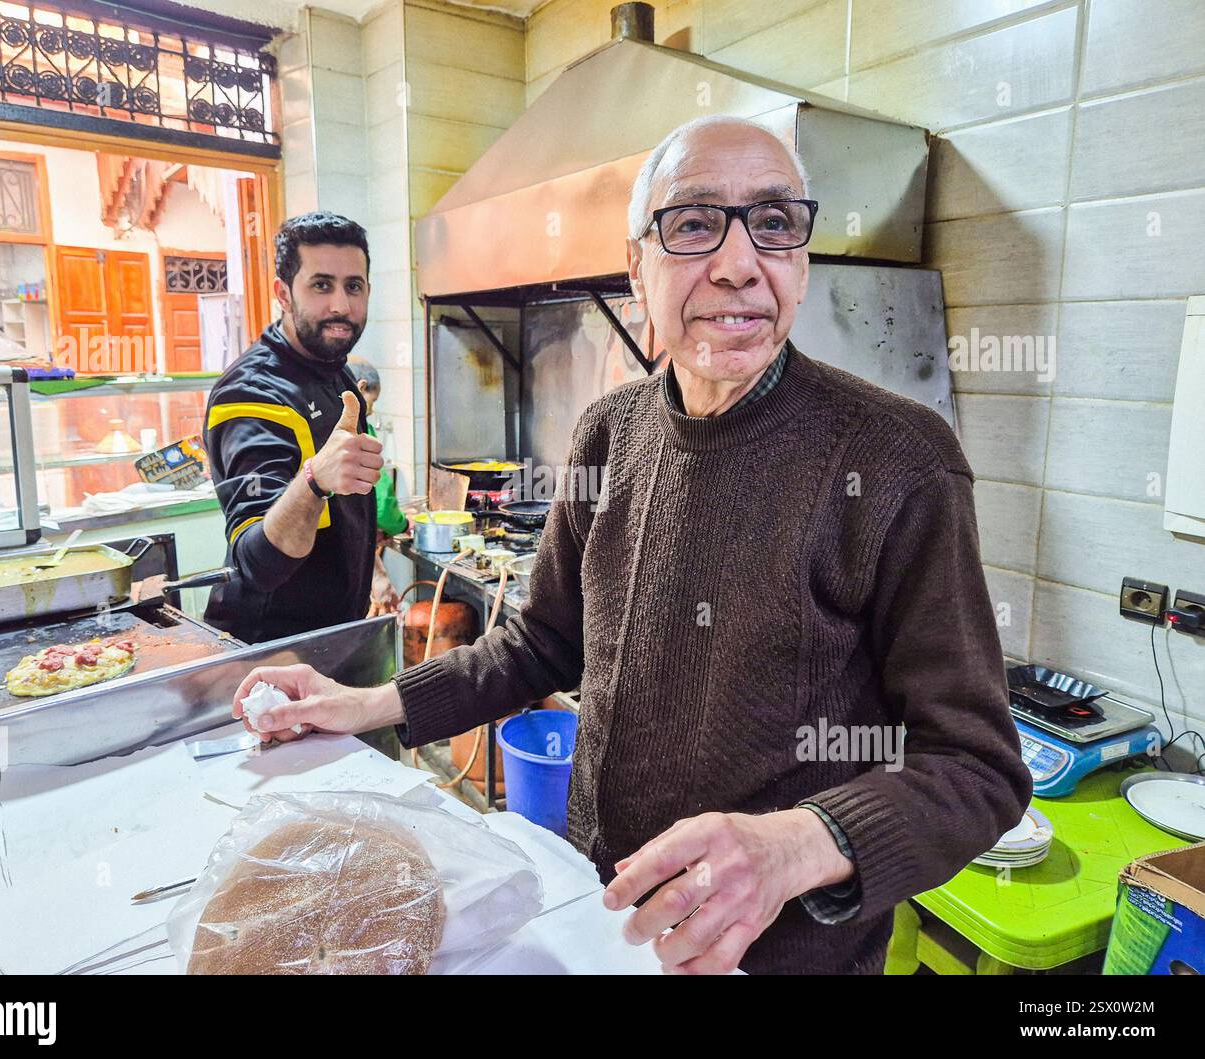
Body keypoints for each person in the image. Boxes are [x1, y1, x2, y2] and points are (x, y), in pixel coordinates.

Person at [230, 117, 1032, 975]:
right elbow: (542, 642)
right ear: (637, 268)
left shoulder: (898, 459)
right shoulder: (610, 433)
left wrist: (798, 844)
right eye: (691, 225)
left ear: (800, 258)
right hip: (601, 919)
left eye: (773, 223)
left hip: (781, 957)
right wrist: (366, 702)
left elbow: (975, 765)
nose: (736, 262)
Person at [202, 211, 398, 642]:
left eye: (354, 286)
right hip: (265, 649)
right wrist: (313, 480)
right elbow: (258, 563)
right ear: (284, 294)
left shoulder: (335, 372)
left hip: (328, 637)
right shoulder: (251, 394)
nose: (341, 306)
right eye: (321, 285)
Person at [347, 359, 408, 616]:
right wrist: (401, 525)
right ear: (361, 388)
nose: (371, 410)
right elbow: (382, 503)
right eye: (373, 400)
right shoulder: (360, 431)